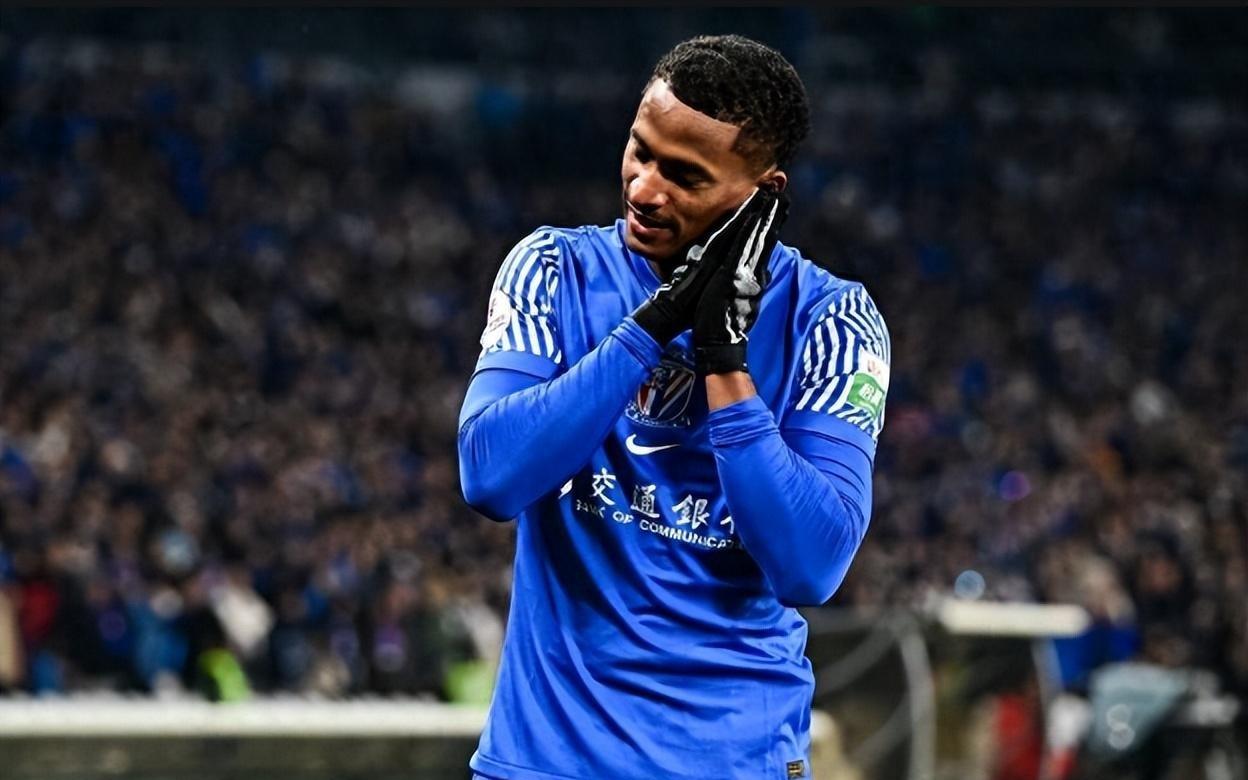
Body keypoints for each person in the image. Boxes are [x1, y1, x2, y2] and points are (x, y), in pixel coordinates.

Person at [457, 34, 891, 780]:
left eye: (685, 175)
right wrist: (651, 327)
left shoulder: (834, 322)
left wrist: (724, 360)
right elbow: (490, 476)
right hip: (546, 762)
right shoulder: (553, 268)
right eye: (640, 151)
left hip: (734, 762)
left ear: (764, 194)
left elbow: (811, 565)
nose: (645, 189)